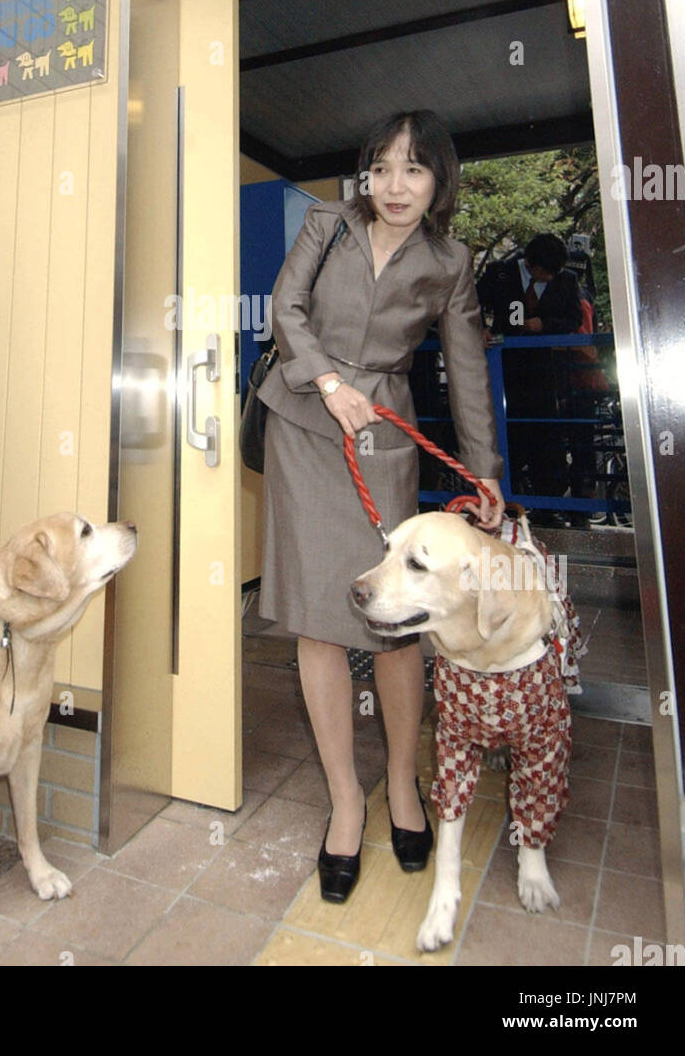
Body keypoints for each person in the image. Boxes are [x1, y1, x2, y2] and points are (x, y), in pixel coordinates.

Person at [258, 110, 503, 902]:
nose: (395, 186)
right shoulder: (326, 224)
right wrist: (327, 383)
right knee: (315, 620)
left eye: (415, 170)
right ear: (366, 173)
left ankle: (401, 783)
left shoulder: (450, 259)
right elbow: (283, 311)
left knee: (394, 623)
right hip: (303, 421)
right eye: (384, 167)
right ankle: (341, 802)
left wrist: (485, 471)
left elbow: (466, 367)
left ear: (438, 182)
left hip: (385, 436)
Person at [477, 234, 583, 524]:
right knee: (506, 436)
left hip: (546, 374)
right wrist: (480, 330)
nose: (548, 278)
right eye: (543, 273)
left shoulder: (567, 281)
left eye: (554, 274)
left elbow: (574, 319)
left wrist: (544, 325)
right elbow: (469, 304)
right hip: (505, 372)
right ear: (530, 264)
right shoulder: (500, 273)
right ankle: (506, 502)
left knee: (547, 438)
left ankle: (548, 506)